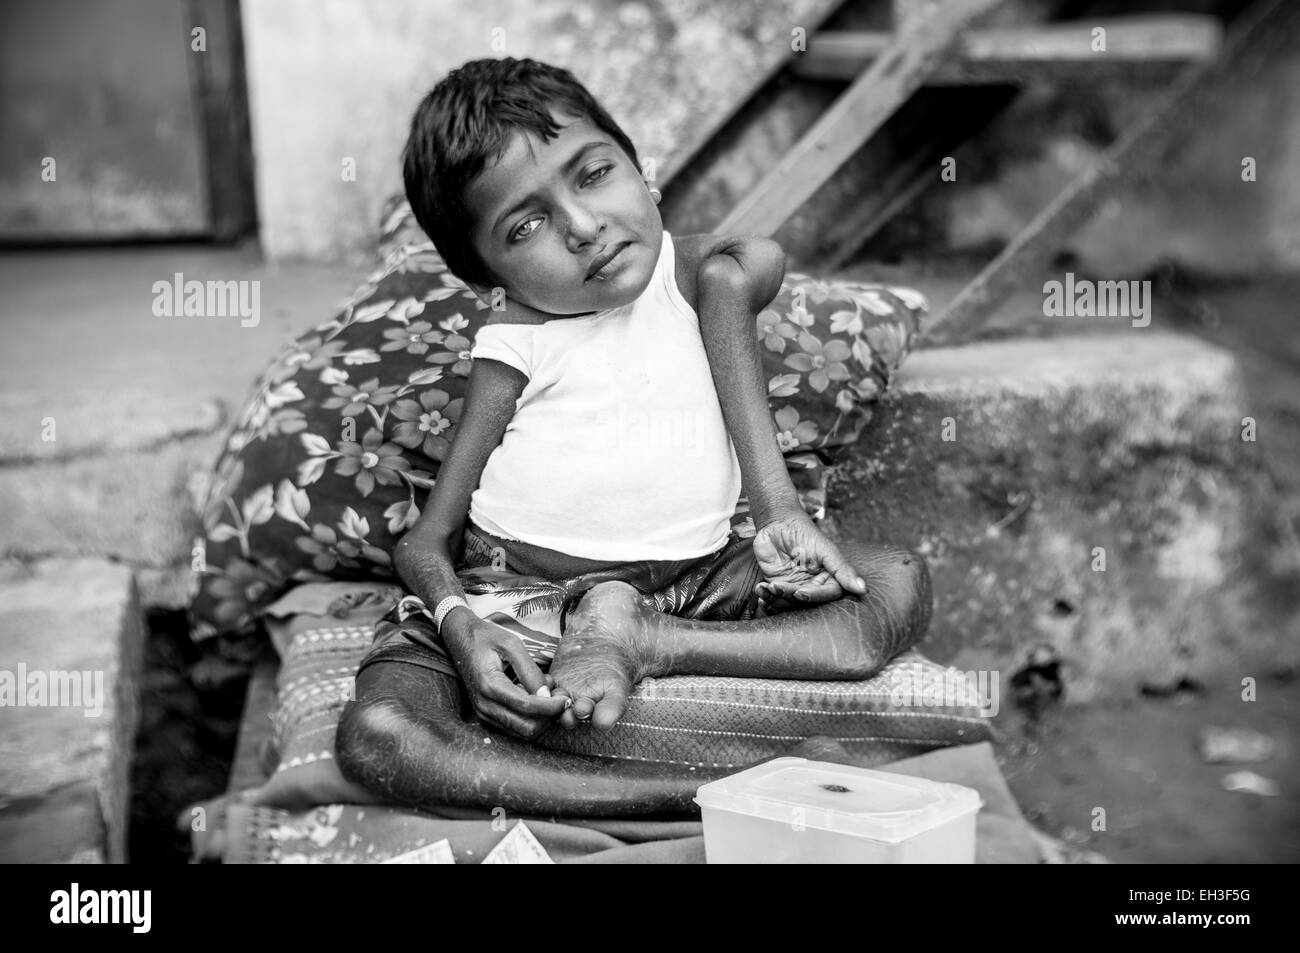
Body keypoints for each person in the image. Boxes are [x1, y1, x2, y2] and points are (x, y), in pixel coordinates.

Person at [335, 57, 933, 817]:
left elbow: (754, 262)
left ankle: (646, 639)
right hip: (513, 596)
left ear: (642, 169)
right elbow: (425, 541)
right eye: (526, 226)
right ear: (489, 276)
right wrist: (462, 632)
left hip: (698, 586)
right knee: (378, 734)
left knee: (896, 585)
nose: (583, 228)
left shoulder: (694, 279)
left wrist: (778, 509)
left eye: (593, 175)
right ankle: (679, 795)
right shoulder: (516, 341)